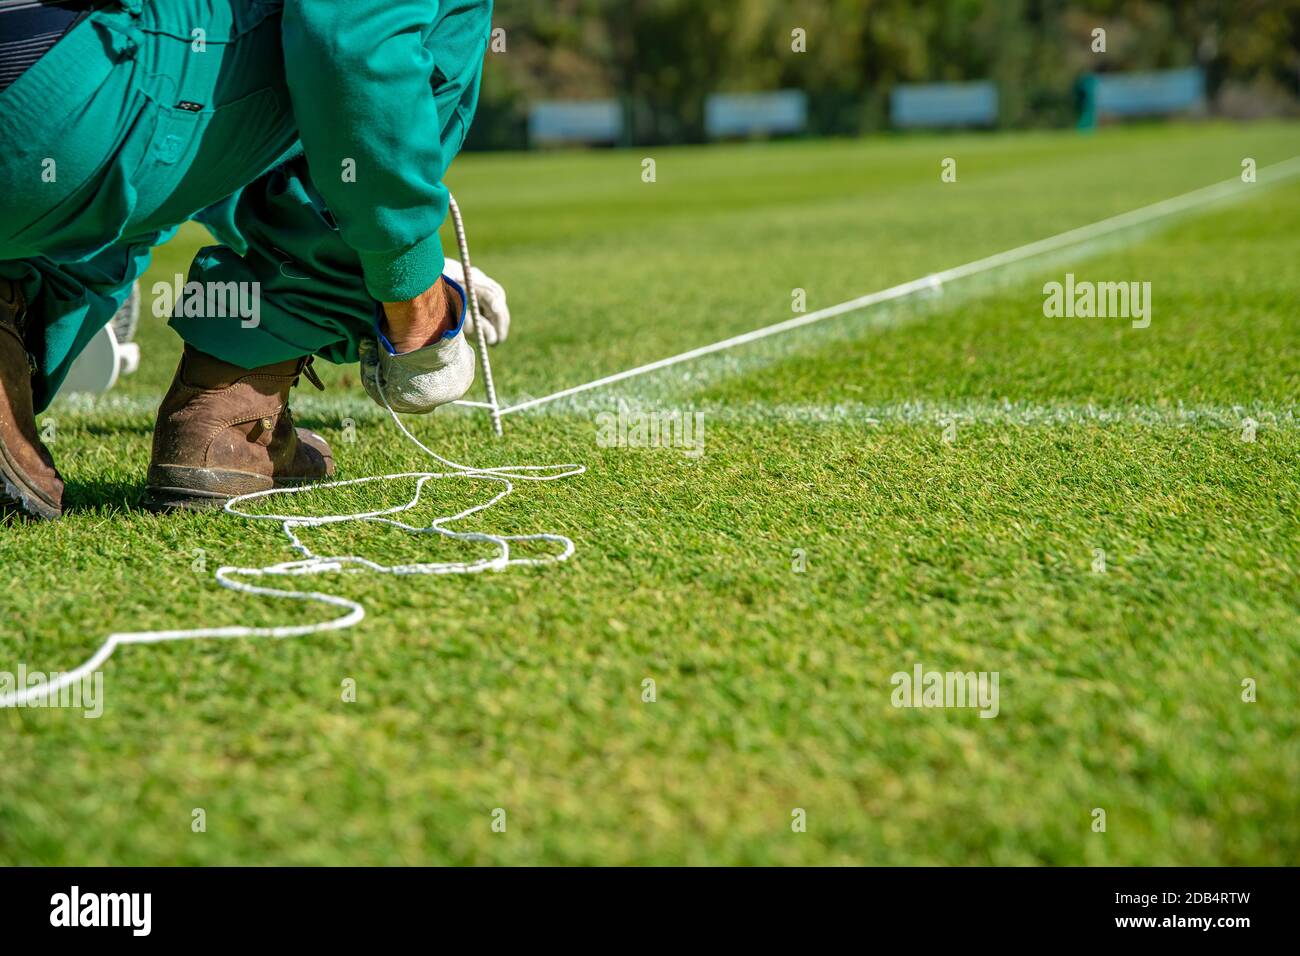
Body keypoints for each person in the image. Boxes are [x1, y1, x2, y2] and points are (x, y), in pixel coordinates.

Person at [0, 0, 505, 519]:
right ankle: (231, 402)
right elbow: (351, 46)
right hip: (58, 98)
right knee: (424, 22)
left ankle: (8, 314)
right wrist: (411, 287)